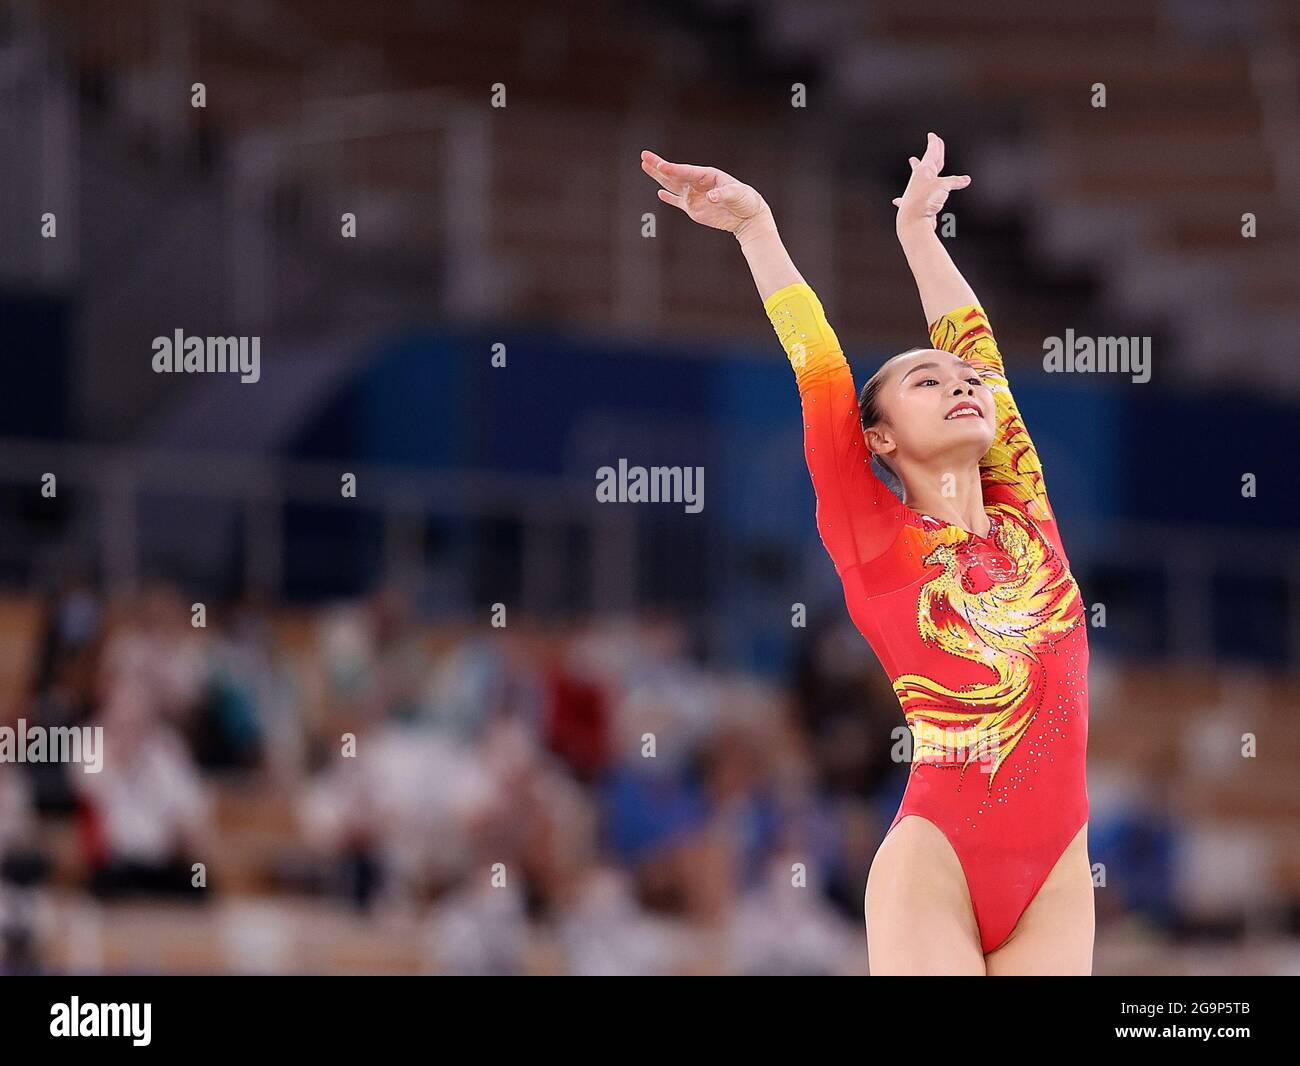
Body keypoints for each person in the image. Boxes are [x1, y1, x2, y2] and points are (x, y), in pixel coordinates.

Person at [640, 133, 1093, 975]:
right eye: (928, 382)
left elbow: (979, 349)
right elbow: (821, 372)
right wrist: (756, 230)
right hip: (938, 863)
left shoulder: (1028, 514)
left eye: (963, 381)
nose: (960, 384)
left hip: (1061, 871)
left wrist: (920, 235)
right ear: (879, 438)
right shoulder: (875, 534)